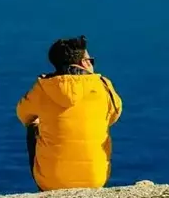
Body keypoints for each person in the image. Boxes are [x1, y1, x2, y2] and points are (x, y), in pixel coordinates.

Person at [16, 35, 123, 191]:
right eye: (90, 60)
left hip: (51, 181)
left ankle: (46, 188)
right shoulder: (103, 86)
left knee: (33, 126)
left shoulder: (43, 88)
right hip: (95, 179)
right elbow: (114, 114)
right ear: (84, 63)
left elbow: (23, 114)